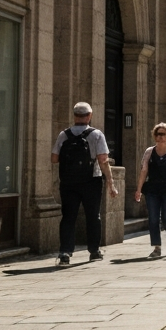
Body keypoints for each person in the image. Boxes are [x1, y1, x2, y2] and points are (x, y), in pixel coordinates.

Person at [51, 102, 119, 265]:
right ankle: (94, 251)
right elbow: (103, 160)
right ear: (90, 116)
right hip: (92, 180)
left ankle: (65, 252)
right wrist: (111, 183)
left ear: (74, 116)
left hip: (68, 182)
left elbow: (54, 159)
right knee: (93, 216)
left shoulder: (64, 135)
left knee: (68, 217)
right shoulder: (96, 135)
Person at [134, 123, 166, 258]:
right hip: (153, 189)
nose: (160, 137)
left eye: (163, 134)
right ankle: (157, 247)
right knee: (153, 218)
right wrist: (138, 189)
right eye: (157, 134)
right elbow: (144, 170)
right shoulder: (149, 152)